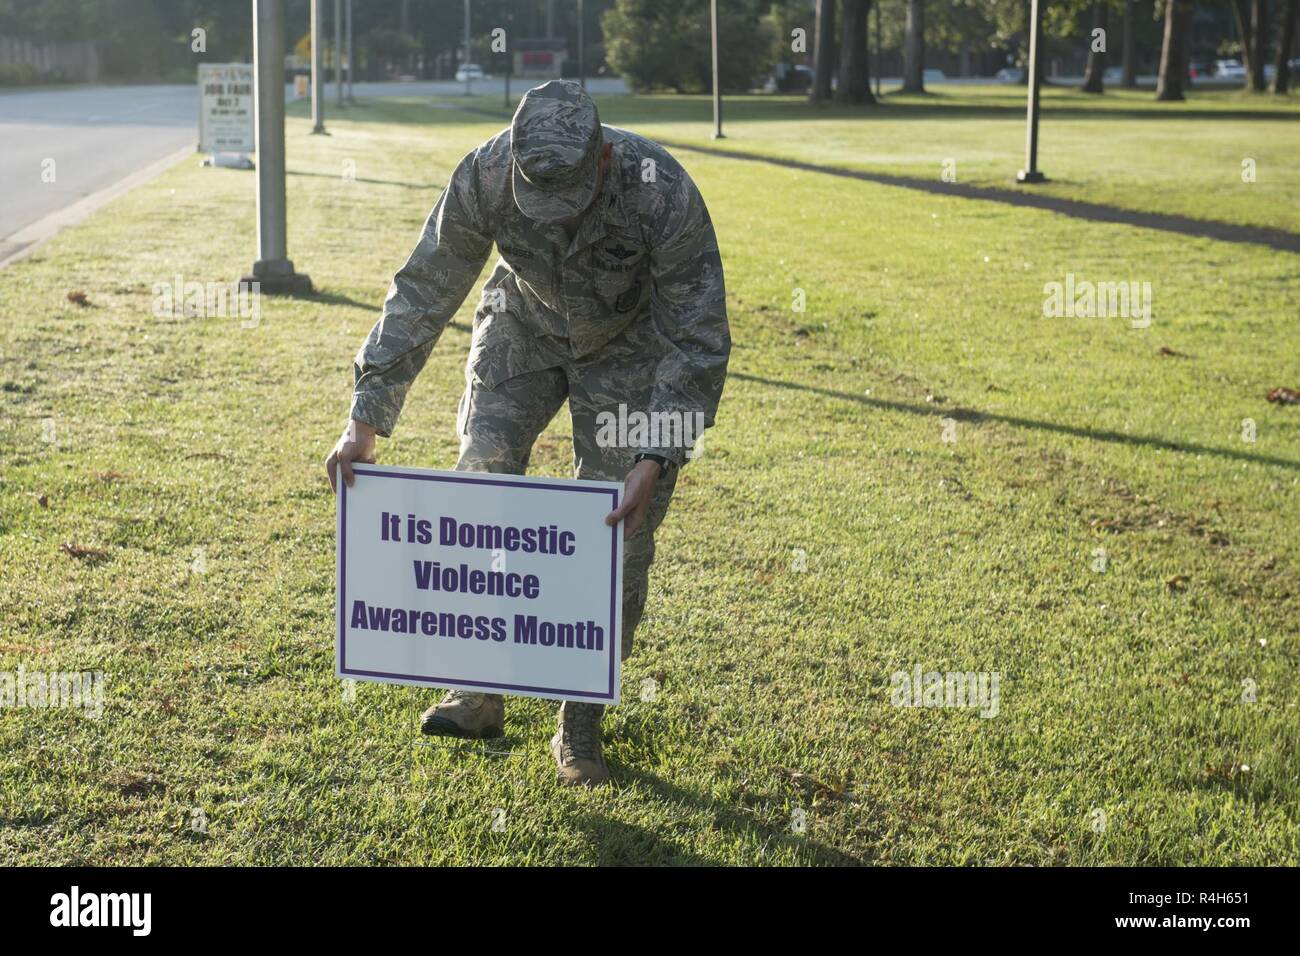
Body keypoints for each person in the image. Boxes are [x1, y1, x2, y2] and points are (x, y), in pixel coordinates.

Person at [325, 80, 729, 787]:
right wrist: (365, 416)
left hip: (628, 349)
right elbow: (426, 285)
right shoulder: (483, 173)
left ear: (601, 161)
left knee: (614, 528)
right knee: (482, 490)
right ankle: (478, 691)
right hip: (525, 325)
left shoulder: (659, 189)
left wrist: (657, 456)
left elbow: (697, 336)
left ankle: (579, 724)